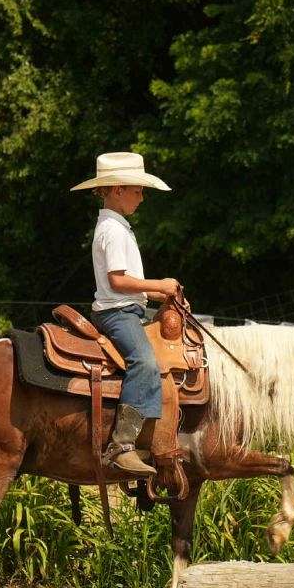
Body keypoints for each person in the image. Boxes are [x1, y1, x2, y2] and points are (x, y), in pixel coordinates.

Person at [70, 152, 180, 477]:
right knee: (144, 362)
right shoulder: (113, 230)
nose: (142, 197)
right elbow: (117, 281)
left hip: (127, 308)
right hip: (118, 314)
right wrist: (158, 284)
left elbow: (126, 282)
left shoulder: (117, 226)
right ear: (118, 189)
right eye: (138, 190)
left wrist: (159, 293)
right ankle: (122, 444)